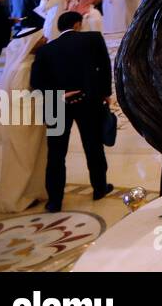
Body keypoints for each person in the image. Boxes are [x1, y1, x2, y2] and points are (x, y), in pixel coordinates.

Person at [30, 11, 112, 211]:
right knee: (93, 147)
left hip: (56, 105)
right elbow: (105, 67)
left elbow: (36, 83)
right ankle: (99, 188)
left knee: (56, 153)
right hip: (88, 101)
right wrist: (105, 93)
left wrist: (59, 94)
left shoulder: (45, 51)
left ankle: (54, 201)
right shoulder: (92, 39)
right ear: (77, 24)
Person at [0, 14, 48, 213]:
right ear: (31, 43)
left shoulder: (20, 64)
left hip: (21, 121)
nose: (44, 40)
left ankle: (31, 192)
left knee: (29, 159)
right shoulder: (24, 67)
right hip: (23, 122)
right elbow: (22, 98)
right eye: (41, 38)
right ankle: (17, 198)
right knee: (21, 161)